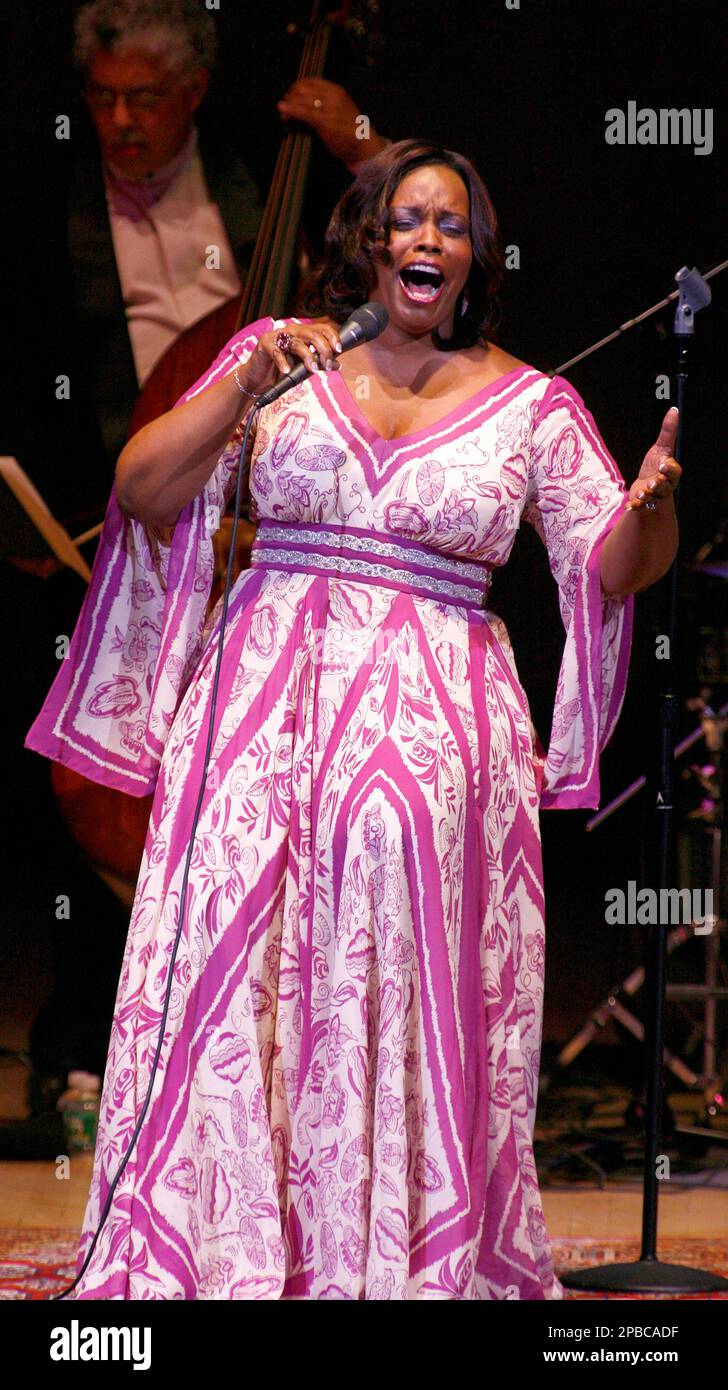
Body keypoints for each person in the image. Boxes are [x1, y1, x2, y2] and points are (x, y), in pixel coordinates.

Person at [26, 139, 680, 1299]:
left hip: (427, 744)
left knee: (389, 982)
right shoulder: (272, 359)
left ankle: (384, 1249)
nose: (425, 239)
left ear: (475, 257)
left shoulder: (533, 403)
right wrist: (239, 384)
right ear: (369, 241)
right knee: (237, 971)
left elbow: (616, 565)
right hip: (255, 719)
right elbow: (142, 489)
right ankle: (215, 1241)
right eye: (405, 219)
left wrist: (651, 506)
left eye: (450, 224)